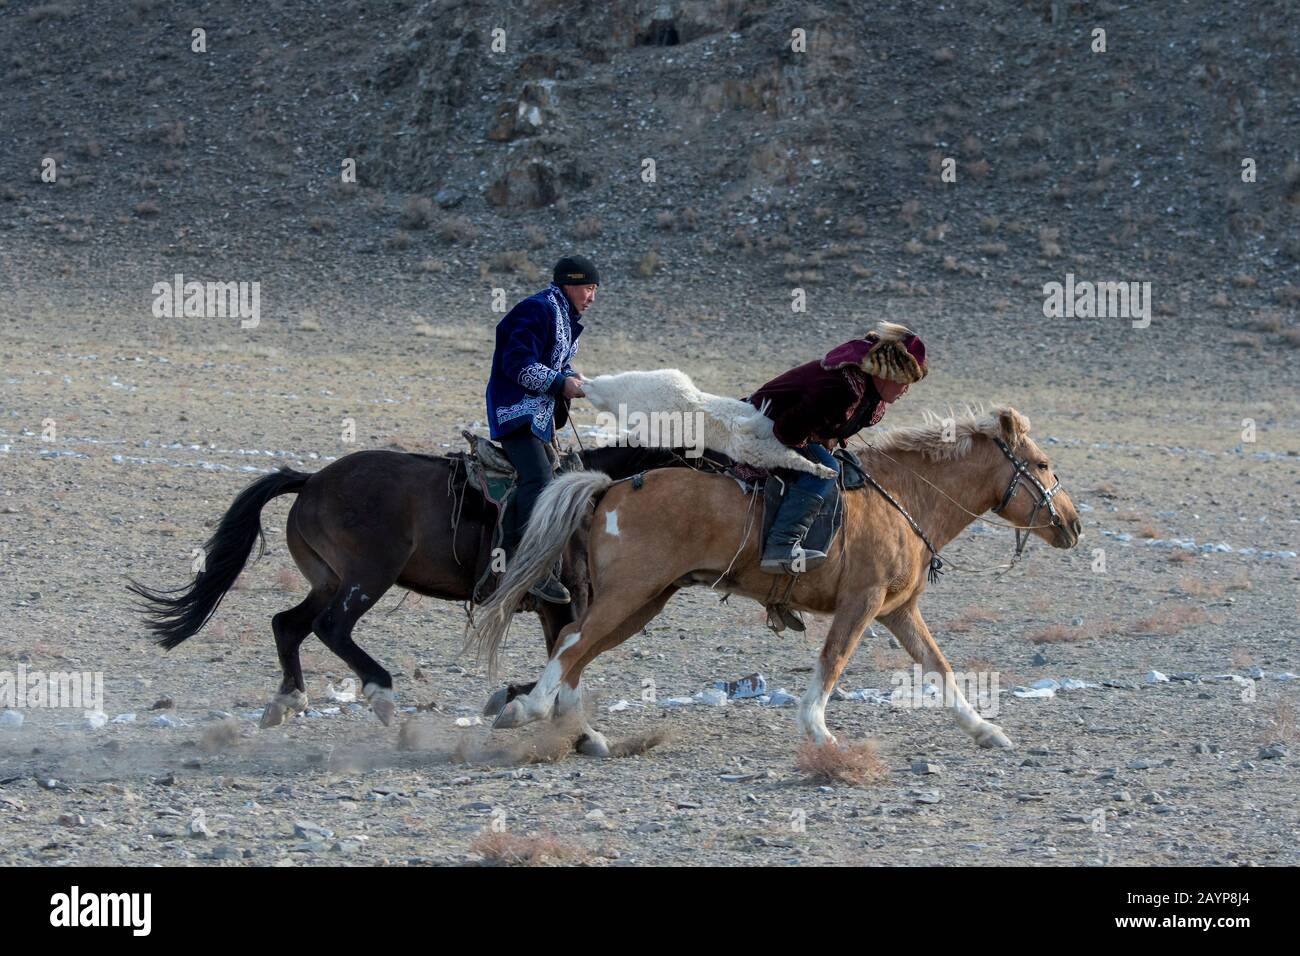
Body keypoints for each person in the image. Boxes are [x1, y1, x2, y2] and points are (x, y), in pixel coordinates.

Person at [745, 321, 928, 573]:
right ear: (886, 371)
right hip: (762, 424)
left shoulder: (869, 391)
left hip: (784, 427)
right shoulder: (840, 388)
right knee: (826, 468)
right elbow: (788, 431)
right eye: (903, 381)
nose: (906, 390)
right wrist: (817, 450)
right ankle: (781, 546)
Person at [485, 255, 599, 603]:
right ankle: (528, 566)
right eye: (587, 287)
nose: (591, 296)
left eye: (595, 289)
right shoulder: (537, 309)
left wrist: (571, 375)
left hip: (540, 418)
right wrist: (559, 383)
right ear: (568, 284)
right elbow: (516, 363)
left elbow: (556, 361)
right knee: (538, 480)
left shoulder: (564, 315)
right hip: (516, 412)